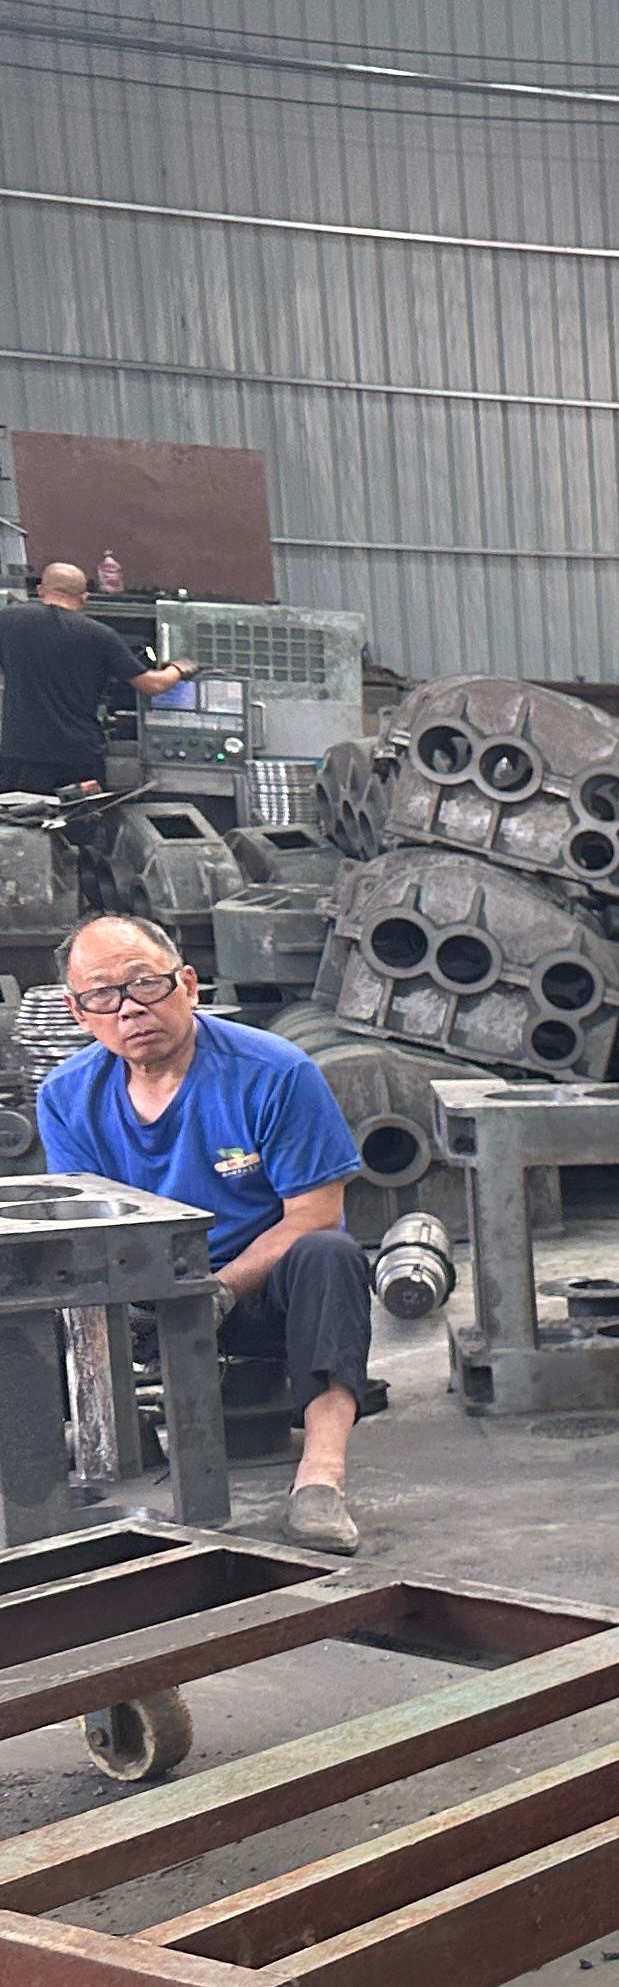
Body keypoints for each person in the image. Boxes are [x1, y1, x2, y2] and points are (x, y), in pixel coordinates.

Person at [33, 915, 375, 1551]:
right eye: (103, 994)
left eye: (145, 984)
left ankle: (319, 1481)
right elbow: (83, 1231)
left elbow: (315, 1214)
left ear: (187, 985)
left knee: (330, 1256)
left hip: (259, 1293)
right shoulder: (67, 1097)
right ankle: (65, 1462)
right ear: (79, 1014)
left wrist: (221, 1288)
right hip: (140, 1296)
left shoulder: (274, 1072)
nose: (129, 1008)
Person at [0, 562, 191, 791]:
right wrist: (177, 668)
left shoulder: (7, 621)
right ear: (84, 598)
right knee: (79, 813)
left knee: (20, 812)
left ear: (41, 590)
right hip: (77, 757)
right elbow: (153, 685)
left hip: (19, 755)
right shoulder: (100, 635)